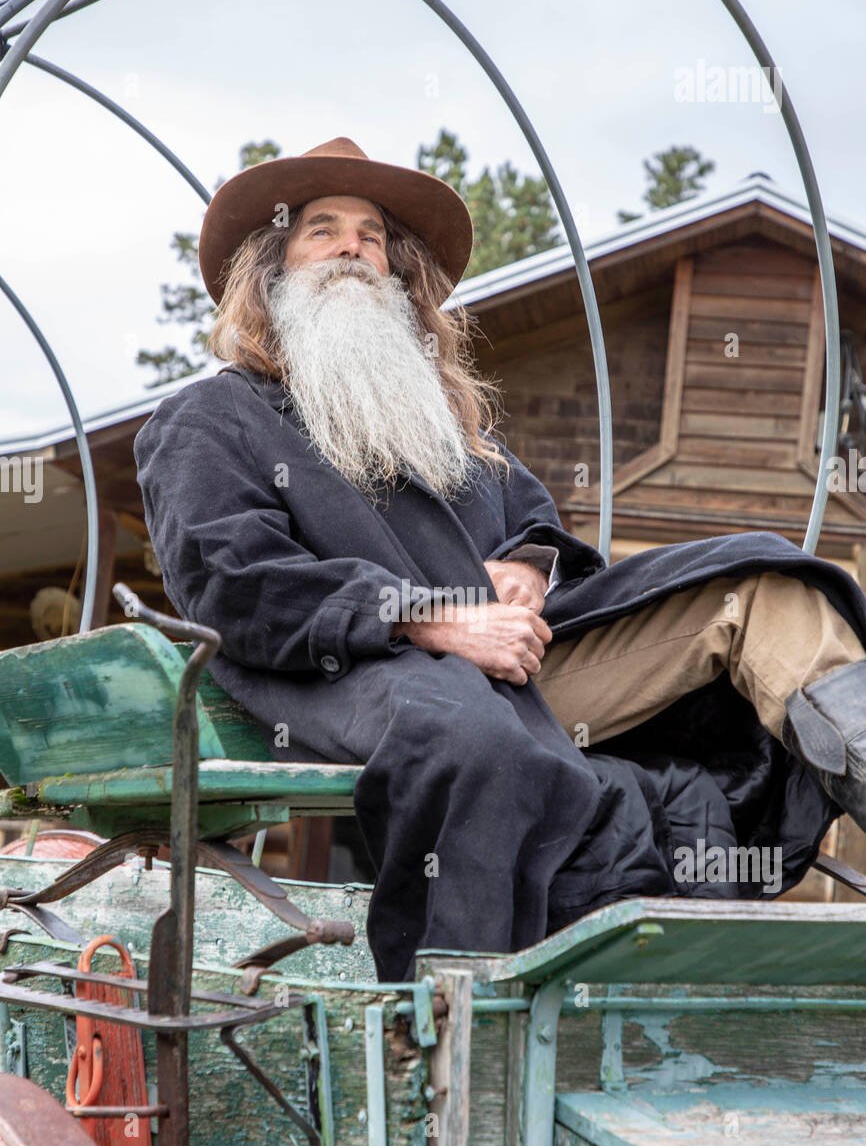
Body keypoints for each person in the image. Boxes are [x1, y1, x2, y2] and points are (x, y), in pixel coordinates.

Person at [134, 136, 866, 981]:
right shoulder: (208, 420)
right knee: (475, 741)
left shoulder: (430, 416)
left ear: (398, 272)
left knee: (763, 583)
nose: (352, 249)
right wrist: (434, 620)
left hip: (520, 667)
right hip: (347, 674)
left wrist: (531, 558)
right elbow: (233, 581)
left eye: (371, 235)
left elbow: (530, 513)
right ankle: (457, 1010)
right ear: (272, 268)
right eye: (322, 230)